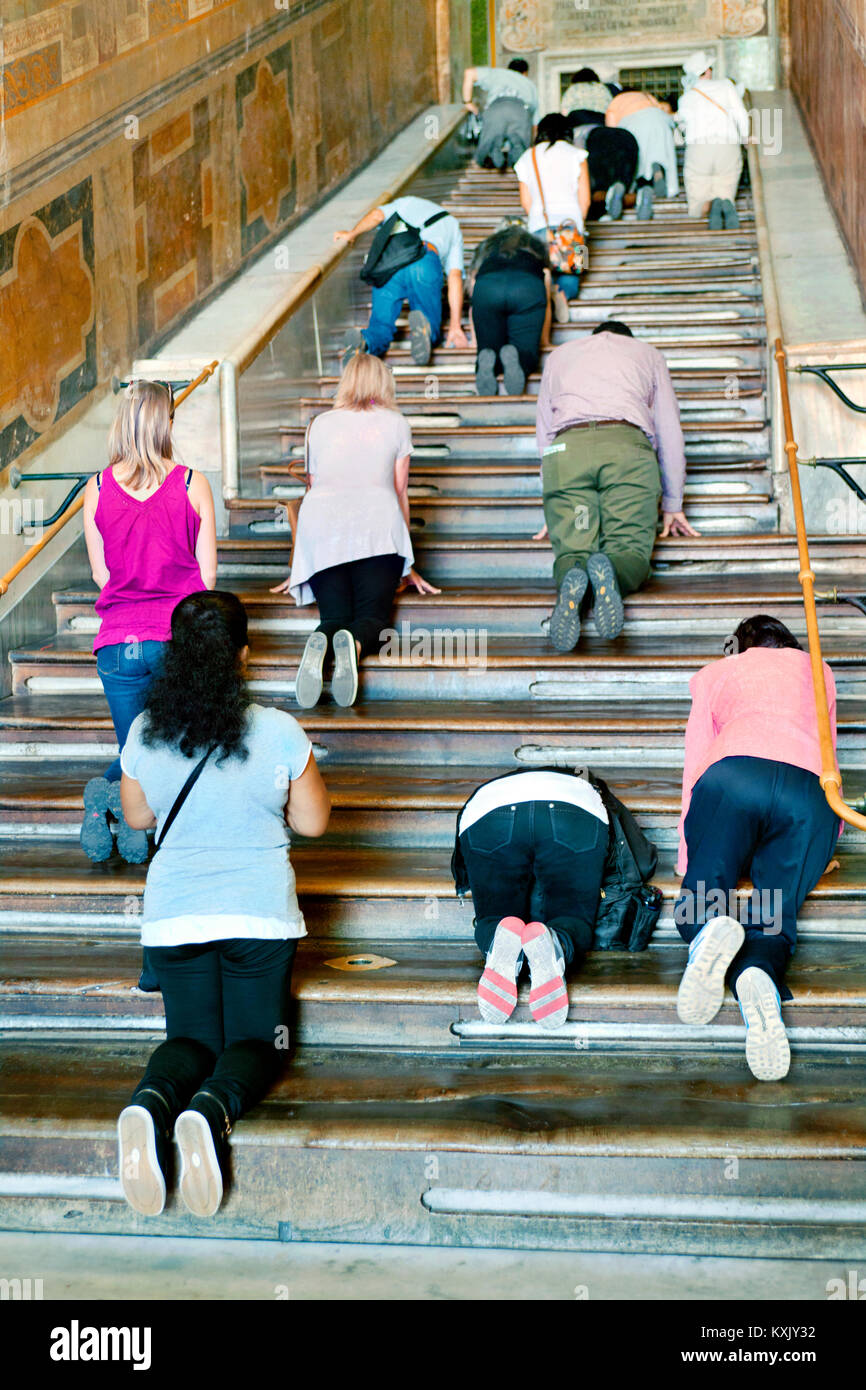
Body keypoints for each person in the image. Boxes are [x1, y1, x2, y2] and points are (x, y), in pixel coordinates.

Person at [116, 591, 330, 1218]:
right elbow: (314, 823)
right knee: (259, 1044)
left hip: (175, 914)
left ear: (176, 656)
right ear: (243, 653)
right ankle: (208, 1115)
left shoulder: (145, 730)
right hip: (256, 915)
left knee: (190, 1038)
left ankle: (150, 1103)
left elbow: (136, 817)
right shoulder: (278, 730)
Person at [674, 615, 841, 1082]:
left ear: (740, 648)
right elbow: (830, 754)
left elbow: (696, 759)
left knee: (706, 890)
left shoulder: (717, 673)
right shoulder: (819, 671)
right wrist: (829, 836)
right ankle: (759, 973)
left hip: (733, 775)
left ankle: (708, 932)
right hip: (807, 793)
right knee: (774, 909)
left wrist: (691, 856)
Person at [80, 380, 216, 864]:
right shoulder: (190, 483)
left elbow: (101, 574)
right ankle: (152, 837)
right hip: (176, 638)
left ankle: (112, 805)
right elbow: (208, 577)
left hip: (116, 645)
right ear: (167, 424)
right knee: (178, 746)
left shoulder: (95, 488)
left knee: (134, 749)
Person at [271, 353, 440, 708]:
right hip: (377, 527)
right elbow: (399, 491)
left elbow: (312, 488)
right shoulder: (396, 423)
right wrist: (406, 563)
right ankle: (355, 642)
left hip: (320, 529)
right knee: (374, 620)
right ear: (383, 383)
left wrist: (300, 562)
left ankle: (324, 638)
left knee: (333, 616)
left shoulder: (318, 424)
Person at [535, 320, 699, 649]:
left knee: (574, 549)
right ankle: (611, 568)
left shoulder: (559, 356)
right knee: (628, 549)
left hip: (568, 456)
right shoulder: (648, 355)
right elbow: (669, 429)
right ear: (629, 340)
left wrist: (552, 503)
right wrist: (673, 502)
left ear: (593, 337)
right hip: (626, 453)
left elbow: (545, 431)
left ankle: (574, 579)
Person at [452, 768, 610, 1030]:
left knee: (494, 916)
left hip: (489, 808)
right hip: (575, 808)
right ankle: (557, 942)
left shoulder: (497, 783)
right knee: (573, 916)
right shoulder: (585, 783)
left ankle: (499, 940)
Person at [335, 197, 469, 366]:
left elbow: (376, 215)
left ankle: (365, 341)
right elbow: (455, 277)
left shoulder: (407, 202)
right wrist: (455, 326)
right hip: (424, 261)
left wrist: (351, 234)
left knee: (381, 326)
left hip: (390, 265)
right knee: (428, 320)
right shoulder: (452, 224)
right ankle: (424, 331)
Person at [514, 114, 590, 320]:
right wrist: (577, 228)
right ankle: (563, 296)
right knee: (574, 275)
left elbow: (526, 202)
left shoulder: (526, 157)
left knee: (540, 274)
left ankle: (546, 302)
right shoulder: (578, 155)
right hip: (573, 225)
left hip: (539, 224)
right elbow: (585, 200)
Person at [469, 224, 552, 395]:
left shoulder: (488, 247)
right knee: (526, 350)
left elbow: (472, 283)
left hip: (487, 286)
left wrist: (475, 339)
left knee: (489, 347)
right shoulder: (536, 246)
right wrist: (544, 338)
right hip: (526, 286)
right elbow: (547, 280)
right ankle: (520, 362)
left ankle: (487, 363)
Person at [676, 50, 750, 229]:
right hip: (727, 142)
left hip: (699, 146)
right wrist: (746, 137)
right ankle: (724, 202)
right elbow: (741, 114)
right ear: (708, 70)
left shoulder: (686, 97)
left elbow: (683, 125)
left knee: (697, 189)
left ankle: (706, 209)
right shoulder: (726, 86)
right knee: (726, 182)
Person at [605, 89, 679, 218]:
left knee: (636, 160)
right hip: (658, 118)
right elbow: (660, 109)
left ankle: (628, 187)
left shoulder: (617, 100)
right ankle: (656, 172)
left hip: (631, 121)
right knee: (657, 152)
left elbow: (612, 129)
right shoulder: (647, 96)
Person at [462, 58, 539, 169]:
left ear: (508, 69)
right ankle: (516, 167)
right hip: (521, 110)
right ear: (525, 73)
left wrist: (467, 102)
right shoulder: (530, 85)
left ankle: (490, 156)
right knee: (519, 147)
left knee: (489, 141)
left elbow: (469, 73)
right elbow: (535, 123)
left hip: (496, 108)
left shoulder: (498, 73)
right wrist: (531, 145)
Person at [568, 119, 639, 222]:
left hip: (596, 140)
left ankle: (609, 198)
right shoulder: (596, 124)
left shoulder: (574, 135)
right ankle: (636, 196)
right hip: (626, 137)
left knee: (596, 191)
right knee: (624, 182)